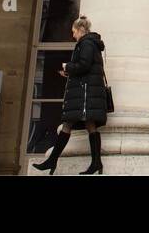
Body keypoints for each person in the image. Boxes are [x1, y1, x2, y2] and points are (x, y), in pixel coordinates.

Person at [32, 15, 110, 175]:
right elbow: (85, 68)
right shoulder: (89, 43)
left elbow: (84, 65)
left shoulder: (86, 43)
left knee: (73, 124)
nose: (73, 35)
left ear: (81, 30)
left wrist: (68, 66)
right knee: (84, 125)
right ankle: (93, 163)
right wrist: (69, 72)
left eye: (74, 32)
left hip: (85, 94)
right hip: (86, 93)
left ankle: (54, 161)